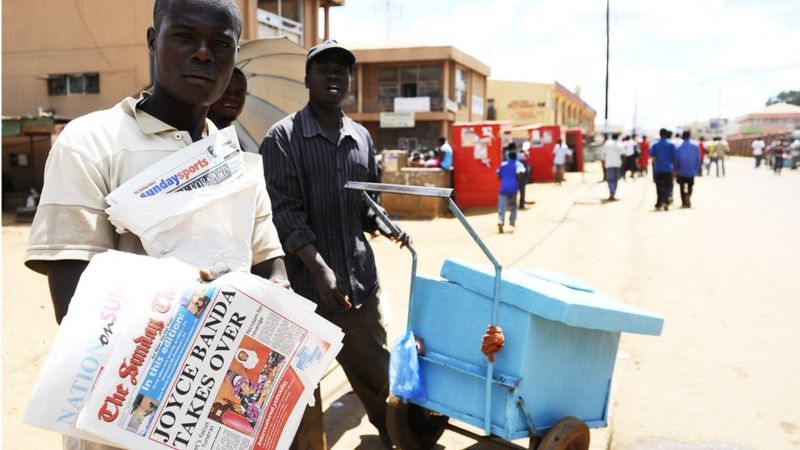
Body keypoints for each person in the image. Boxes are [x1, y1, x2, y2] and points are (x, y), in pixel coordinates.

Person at [24, 1, 288, 449]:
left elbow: (274, 272)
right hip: (123, 418)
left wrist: (256, 298)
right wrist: (192, 301)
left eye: (221, 44)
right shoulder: (92, 143)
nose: (204, 53)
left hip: (219, 414)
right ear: (153, 41)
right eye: (186, 36)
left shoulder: (238, 163)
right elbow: (74, 307)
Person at [260, 40, 410, 450]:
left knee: (378, 375)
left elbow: (367, 205)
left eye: (341, 71)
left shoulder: (361, 137)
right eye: (323, 69)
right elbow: (284, 212)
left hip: (359, 286)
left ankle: (397, 434)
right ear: (306, 79)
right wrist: (320, 269)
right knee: (301, 389)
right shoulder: (282, 139)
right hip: (306, 292)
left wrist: (387, 225)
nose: (333, 77)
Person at [496, 146, 524, 233]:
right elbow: (521, 172)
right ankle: (512, 221)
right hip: (513, 189)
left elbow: (498, 175)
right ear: (516, 156)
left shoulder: (503, 165)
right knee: (513, 206)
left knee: (502, 207)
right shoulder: (518, 164)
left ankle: (501, 221)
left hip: (503, 189)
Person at [650, 128, 677, 211]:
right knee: (667, 186)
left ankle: (659, 202)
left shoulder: (655, 144)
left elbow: (652, 157)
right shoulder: (671, 144)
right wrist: (675, 169)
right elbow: (674, 158)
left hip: (658, 169)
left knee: (659, 186)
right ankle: (665, 201)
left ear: (660, 134)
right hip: (668, 169)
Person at [674, 131, 701, 208]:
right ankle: (688, 195)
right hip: (691, 170)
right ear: (689, 136)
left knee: (681, 187)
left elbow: (676, 160)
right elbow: (698, 159)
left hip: (681, 171)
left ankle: (683, 202)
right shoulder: (695, 146)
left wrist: (675, 169)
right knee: (690, 186)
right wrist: (697, 169)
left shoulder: (679, 146)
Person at [601, 133, 624, 201]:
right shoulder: (620, 144)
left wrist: (603, 162)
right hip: (618, 165)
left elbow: (603, 154)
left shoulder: (607, 143)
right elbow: (623, 155)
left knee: (610, 179)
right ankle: (613, 192)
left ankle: (612, 192)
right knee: (615, 179)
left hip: (609, 164)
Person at [517, 143, 530, 209]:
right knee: (522, 190)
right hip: (522, 175)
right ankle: (521, 204)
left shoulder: (516, 156)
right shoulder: (524, 156)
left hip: (516, 175)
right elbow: (525, 167)